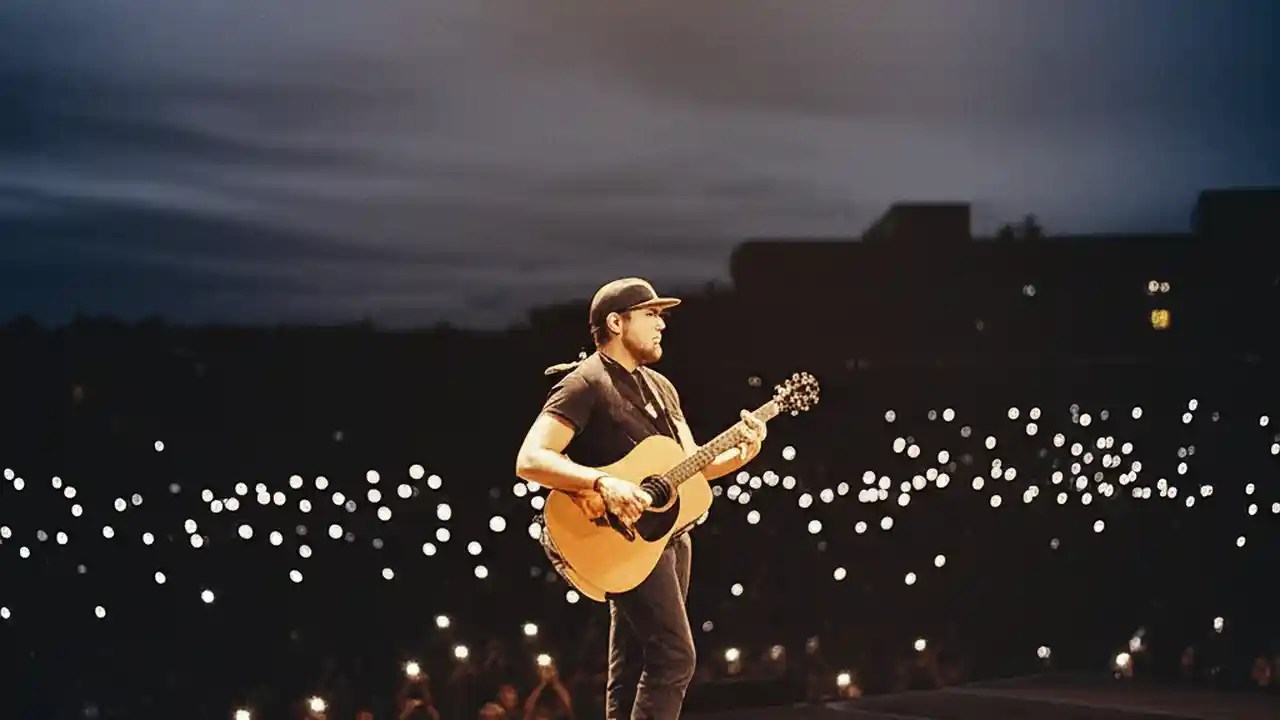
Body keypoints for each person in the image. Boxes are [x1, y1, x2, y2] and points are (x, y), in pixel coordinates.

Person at [516, 277, 769, 719]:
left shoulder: (661, 387)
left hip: (666, 535)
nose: (662, 324)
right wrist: (601, 483)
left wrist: (743, 453)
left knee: (635, 662)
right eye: (651, 314)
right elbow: (531, 458)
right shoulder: (584, 384)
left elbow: (692, 467)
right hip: (616, 534)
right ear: (616, 322)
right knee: (675, 656)